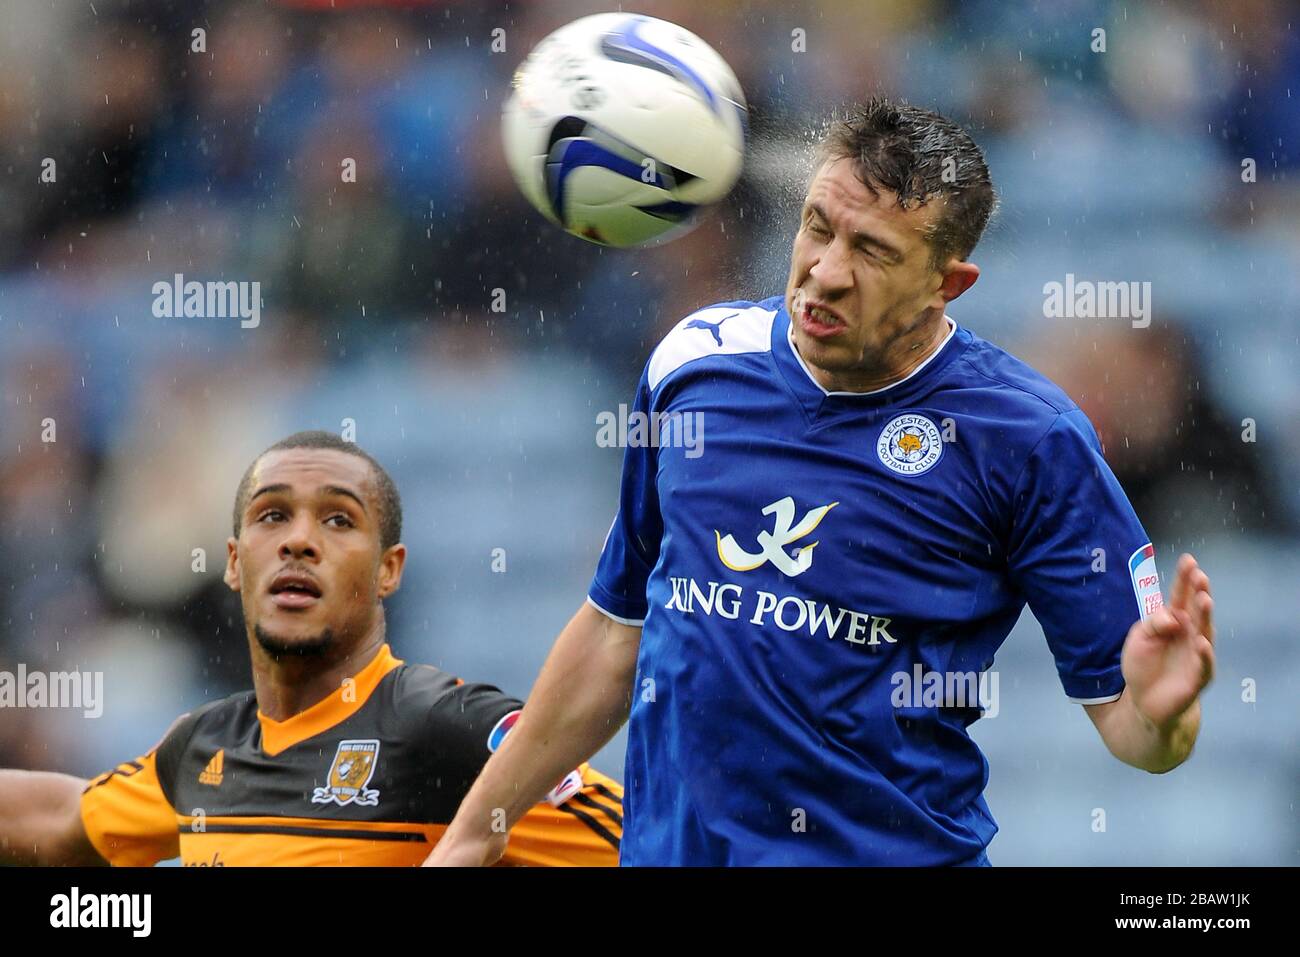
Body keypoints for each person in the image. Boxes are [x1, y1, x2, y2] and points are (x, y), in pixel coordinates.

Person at [426, 98, 1216, 867]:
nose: (827, 273)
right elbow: (613, 632)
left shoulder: (1025, 438)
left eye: (872, 251)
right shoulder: (694, 364)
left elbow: (1135, 731)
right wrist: (478, 826)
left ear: (949, 283)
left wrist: (1164, 716)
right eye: (817, 228)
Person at [0, 431, 622, 866]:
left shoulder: (443, 730)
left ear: (388, 570)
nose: (299, 541)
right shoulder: (204, 750)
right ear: (236, 564)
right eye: (272, 516)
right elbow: (57, 824)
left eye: (338, 520)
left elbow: (660, 838)